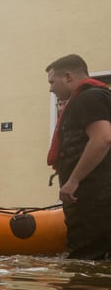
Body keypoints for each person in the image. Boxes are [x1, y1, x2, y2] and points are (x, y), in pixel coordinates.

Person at [45, 53, 111, 260]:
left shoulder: (88, 98)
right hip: (98, 193)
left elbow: (102, 138)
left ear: (67, 77)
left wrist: (74, 180)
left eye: (52, 82)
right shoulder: (98, 97)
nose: (50, 89)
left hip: (92, 195)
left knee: (85, 257)